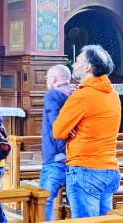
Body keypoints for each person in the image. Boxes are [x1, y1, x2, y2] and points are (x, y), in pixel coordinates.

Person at [52, 45, 121, 217]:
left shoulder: (83, 95)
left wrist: (71, 127)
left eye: (77, 61)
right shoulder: (113, 94)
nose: (73, 64)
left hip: (86, 169)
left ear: (88, 67)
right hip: (109, 168)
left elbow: (58, 131)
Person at [39, 64, 76, 220]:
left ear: (53, 79)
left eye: (47, 78)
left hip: (55, 158)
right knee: (75, 202)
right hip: (74, 157)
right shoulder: (75, 94)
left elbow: (57, 126)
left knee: (43, 200)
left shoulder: (52, 95)